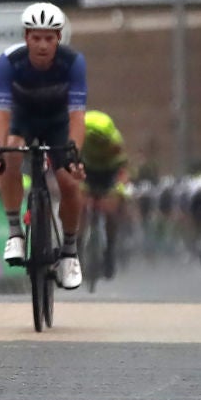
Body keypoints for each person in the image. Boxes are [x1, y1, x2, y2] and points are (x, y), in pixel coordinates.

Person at [0, 2, 87, 289]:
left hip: (57, 121)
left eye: (49, 38)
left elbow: (77, 116)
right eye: (36, 38)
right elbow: (2, 114)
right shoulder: (9, 61)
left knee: (68, 181)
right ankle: (16, 232)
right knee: (11, 154)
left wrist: (73, 154)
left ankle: (69, 251)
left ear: (59, 38)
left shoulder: (73, 62)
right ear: (26, 36)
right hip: (23, 118)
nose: (42, 45)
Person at [80, 109, 129, 279]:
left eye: (101, 140)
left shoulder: (115, 143)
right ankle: (77, 246)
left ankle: (109, 251)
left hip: (109, 173)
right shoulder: (77, 138)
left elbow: (123, 171)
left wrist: (117, 191)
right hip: (86, 171)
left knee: (111, 211)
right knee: (80, 206)